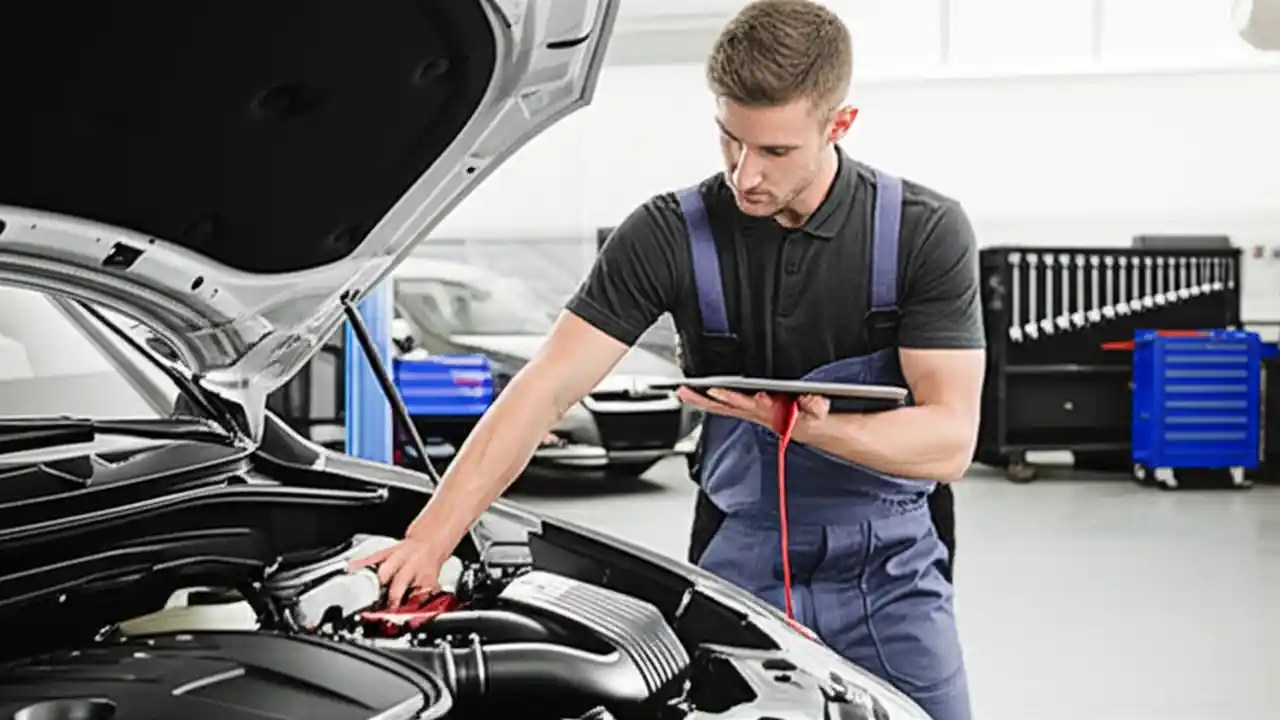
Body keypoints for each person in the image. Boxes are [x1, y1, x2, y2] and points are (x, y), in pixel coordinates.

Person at [352, 1, 984, 717]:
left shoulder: (921, 232)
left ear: (839, 125)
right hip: (741, 560)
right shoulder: (668, 234)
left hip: (891, 573)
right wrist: (431, 538)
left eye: (775, 152)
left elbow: (949, 440)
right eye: (730, 140)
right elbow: (546, 388)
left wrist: (802, 426)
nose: (745, 175)